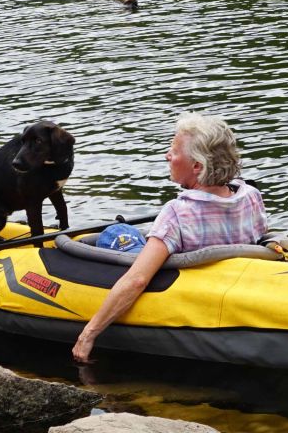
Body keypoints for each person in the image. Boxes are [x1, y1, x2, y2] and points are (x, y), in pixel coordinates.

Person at [71, 113, 268, 364]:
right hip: (231, 284)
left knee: (116, 233)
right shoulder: (250, 195)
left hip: (185, 288)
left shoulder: (177, 213)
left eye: (174, 152)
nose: (167, 156)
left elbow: (137, 280)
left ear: (197, 166)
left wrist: (88, 334)